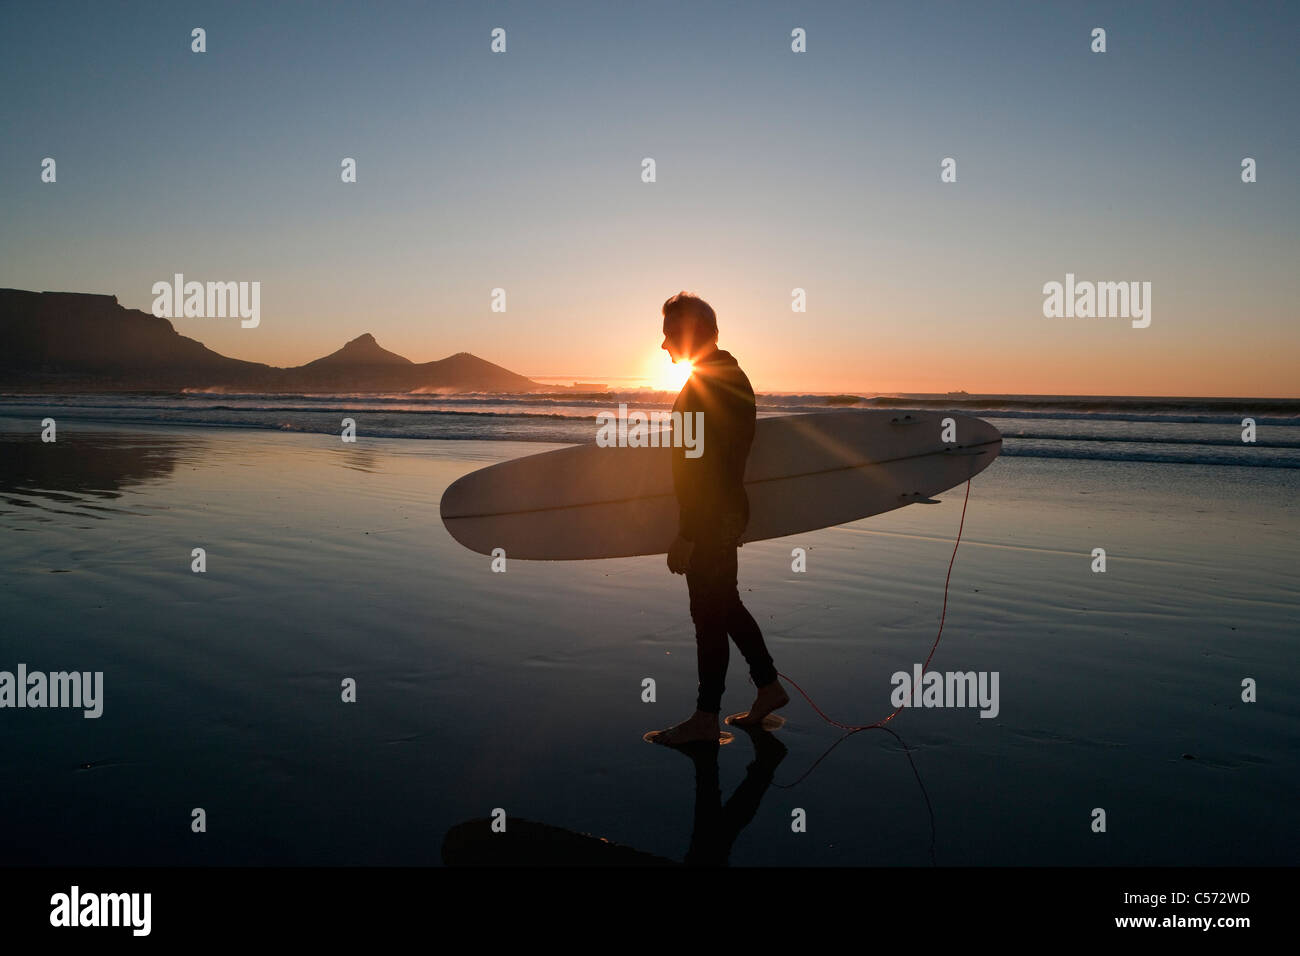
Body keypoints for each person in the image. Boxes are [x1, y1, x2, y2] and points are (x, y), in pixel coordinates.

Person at [649, 292, 788, 746]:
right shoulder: (725, 375)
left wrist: (688, 531)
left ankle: (706, 719)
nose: (663, 343)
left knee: (708, 613)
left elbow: (702, 465)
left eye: (669, 332)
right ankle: (768, 687)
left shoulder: (706, 384)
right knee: (722, 604)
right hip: (723, 510)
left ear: (690, 332)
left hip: (710, 515)